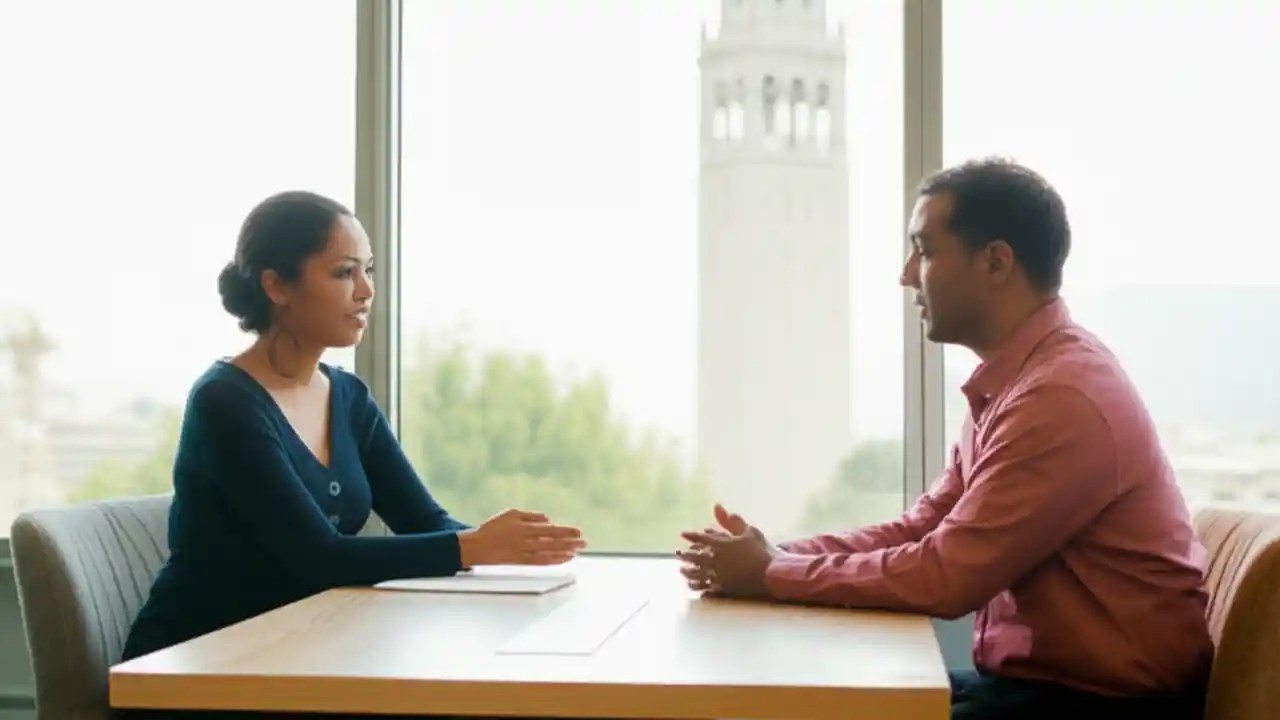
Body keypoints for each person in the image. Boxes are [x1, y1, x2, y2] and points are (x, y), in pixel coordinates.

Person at [677, 158, 1213, 720]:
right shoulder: (1019, 382)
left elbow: (946, 575)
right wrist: (777, 554)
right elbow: (924, 526)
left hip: (1107, 706)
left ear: (996, 262)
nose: (907, 273)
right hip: (1040, 688)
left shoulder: (1061, 398)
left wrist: (768, 572)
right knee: (810, 701)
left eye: (925, 250)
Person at [121, 191, 585, 716]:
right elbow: (318, 559)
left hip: (298, 658)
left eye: (367, 271)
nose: (366, 290)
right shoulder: (225, 402)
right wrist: (475, 547)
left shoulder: (348, 398)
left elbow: (424, 522)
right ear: (277, 285)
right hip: (200, 672)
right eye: (344, 273)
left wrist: (517, 558)